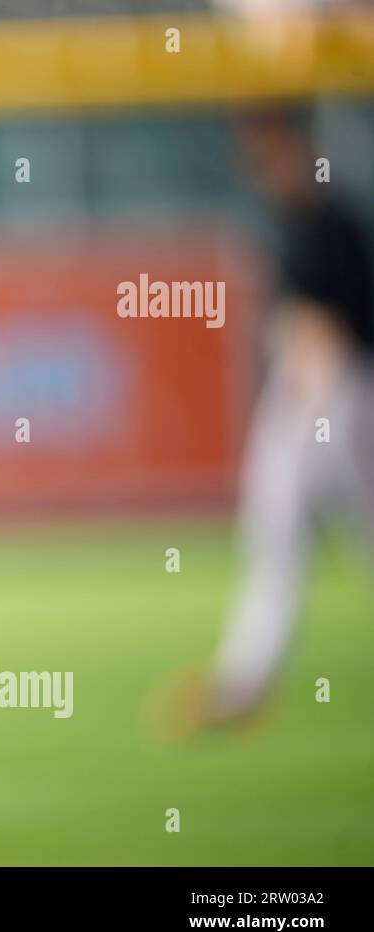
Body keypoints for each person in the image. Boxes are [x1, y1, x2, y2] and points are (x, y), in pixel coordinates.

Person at [169, 102, 374, 735]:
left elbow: (326, 333)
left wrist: (303, 408)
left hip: (339, 396)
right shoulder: (293, 219)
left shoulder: (328, 222)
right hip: (311, 396)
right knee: (275, 541)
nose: (256, 162)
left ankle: (244, 682)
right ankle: (245, 682)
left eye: (266, 145)